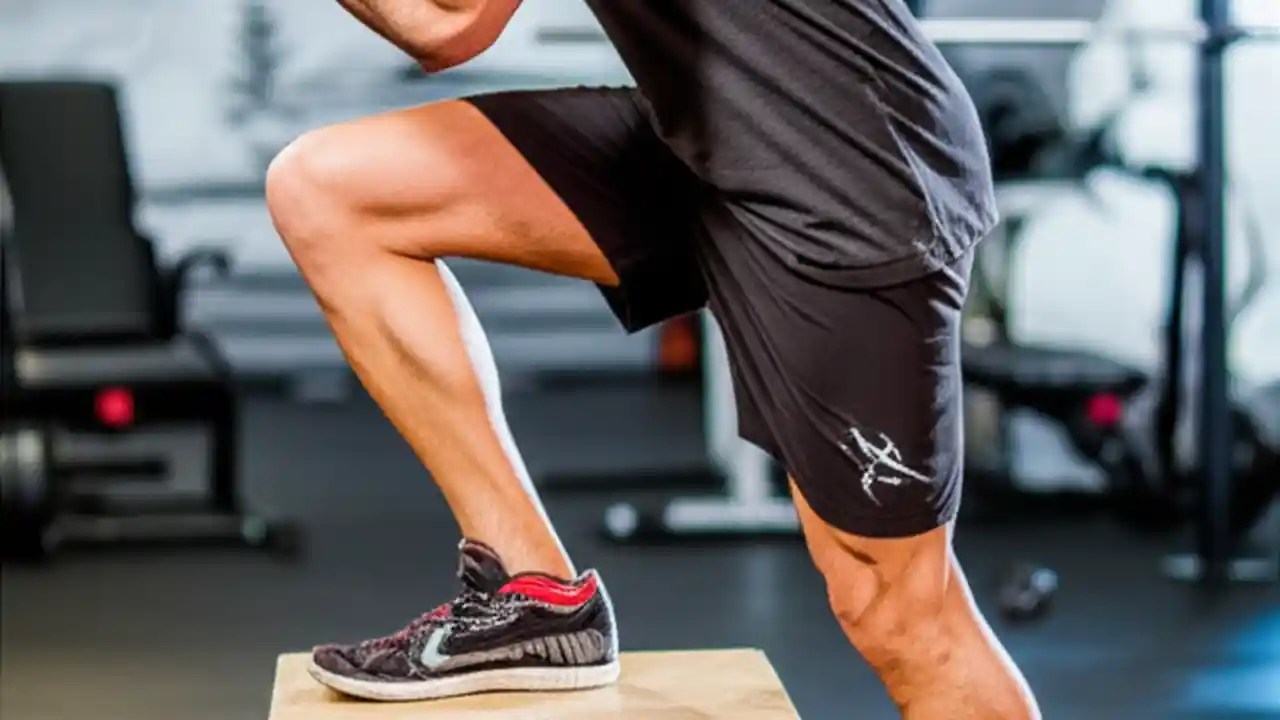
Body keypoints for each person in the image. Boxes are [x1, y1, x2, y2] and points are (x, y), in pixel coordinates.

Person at [264, 1, 1040, 717]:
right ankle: (531, 593)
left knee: (900, 615)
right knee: (328, 192)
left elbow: (447, 24)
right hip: (708, 140)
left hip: (844, 172)